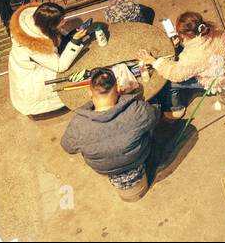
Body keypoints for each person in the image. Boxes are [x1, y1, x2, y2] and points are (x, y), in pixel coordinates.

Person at [60, 67, 161, 200]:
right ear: (118, 89)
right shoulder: (136, 110)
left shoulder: (78, 124)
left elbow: (68, 147)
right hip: (138, 157)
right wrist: (133, 95)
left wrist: (86, 107)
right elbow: (155, 114)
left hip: (103, 169)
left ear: (90, 94)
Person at [138, 11, 225, 117]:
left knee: (169, 83)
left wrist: (153, 61)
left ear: (185, 34)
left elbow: (175, 74)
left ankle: (176, 109)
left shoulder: (194, 54)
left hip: (216, 78)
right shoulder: (212, 29)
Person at [7, 1, 89, 116]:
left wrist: (68, 37)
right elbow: (60, 66)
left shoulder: (36, 19)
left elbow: (54, 40)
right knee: (72, 73)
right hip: (32, 81)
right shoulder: (34, 45)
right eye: (61, 21)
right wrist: (75, 42)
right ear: (50, 25)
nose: (65, 22)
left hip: (26, 68)